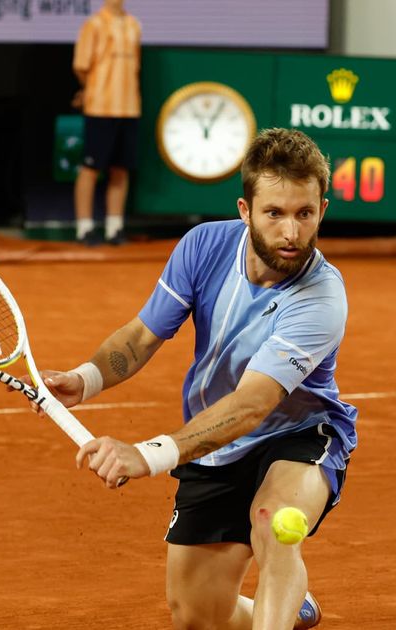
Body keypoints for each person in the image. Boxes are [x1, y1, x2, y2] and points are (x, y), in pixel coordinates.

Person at [31, 129, 354, 629]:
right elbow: (141, 337)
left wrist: (149, 454)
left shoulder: (321, 298)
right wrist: (86, 378)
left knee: (274, 521)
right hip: (213, 445)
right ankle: (290, 604)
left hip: (297, 435)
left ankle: (279, 586)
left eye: (304, 214)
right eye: (275, 213)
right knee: (197, 618)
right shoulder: (204, 246)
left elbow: (252, 405)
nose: (291, 232)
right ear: (245, 211)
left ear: (322, 210)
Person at [72, 0, 141, 247]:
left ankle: (114, 227)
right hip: (100, 106)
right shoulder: (93, 25)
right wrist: (92, 89)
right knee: (90, 168)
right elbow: (81, 66)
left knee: (120, 169)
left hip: (129, 106)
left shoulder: (134, 25)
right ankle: (84, 227)